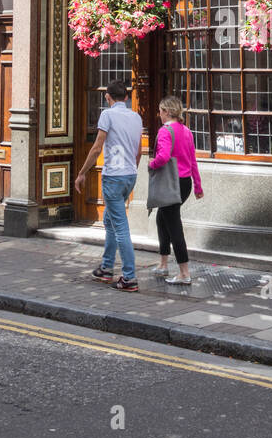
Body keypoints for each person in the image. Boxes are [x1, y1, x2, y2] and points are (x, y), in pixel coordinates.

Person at [74, 79, 142, 292]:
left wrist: (82, 173)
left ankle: (129, 277)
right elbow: (138, 151)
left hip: (113, 176)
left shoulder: (107, 115)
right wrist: (132, 170)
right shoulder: (136, 117)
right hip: (130, 175)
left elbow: (96, 148)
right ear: (127, 97)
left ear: (108, 97)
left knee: (120, 227)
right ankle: (105, 267)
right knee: (110, 219)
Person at [149, 95, 203, 285]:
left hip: (170, 183)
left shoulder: (165, 131)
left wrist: (152, 164)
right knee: (162, 218)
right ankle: (163, 264)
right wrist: (197, 185)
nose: (159, 115)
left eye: (160, 111)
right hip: (185, 183)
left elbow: (163, 157)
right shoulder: (186, 131)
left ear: (166, 111)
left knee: (173, 225)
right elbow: (193, 160)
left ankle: (184, 273)